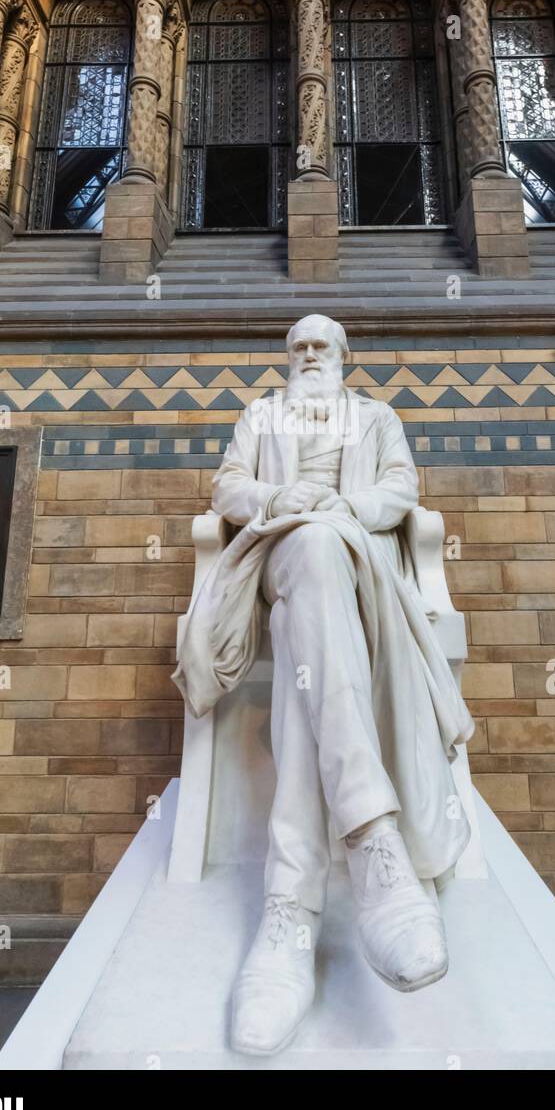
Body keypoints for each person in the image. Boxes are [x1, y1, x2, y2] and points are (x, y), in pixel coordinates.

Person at [173, 314, 475, 1056]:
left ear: (345, 358)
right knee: (308, 549)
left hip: (362, 564)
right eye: (298, 347)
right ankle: (377, 846)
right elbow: (229, 486)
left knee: (315, 637)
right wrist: (280, 504)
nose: (309, 357)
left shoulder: (376, 417)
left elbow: (402, 486)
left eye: (322, 348)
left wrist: (355, 510)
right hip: (283, 557)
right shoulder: (261, 415)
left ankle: (290, 912)